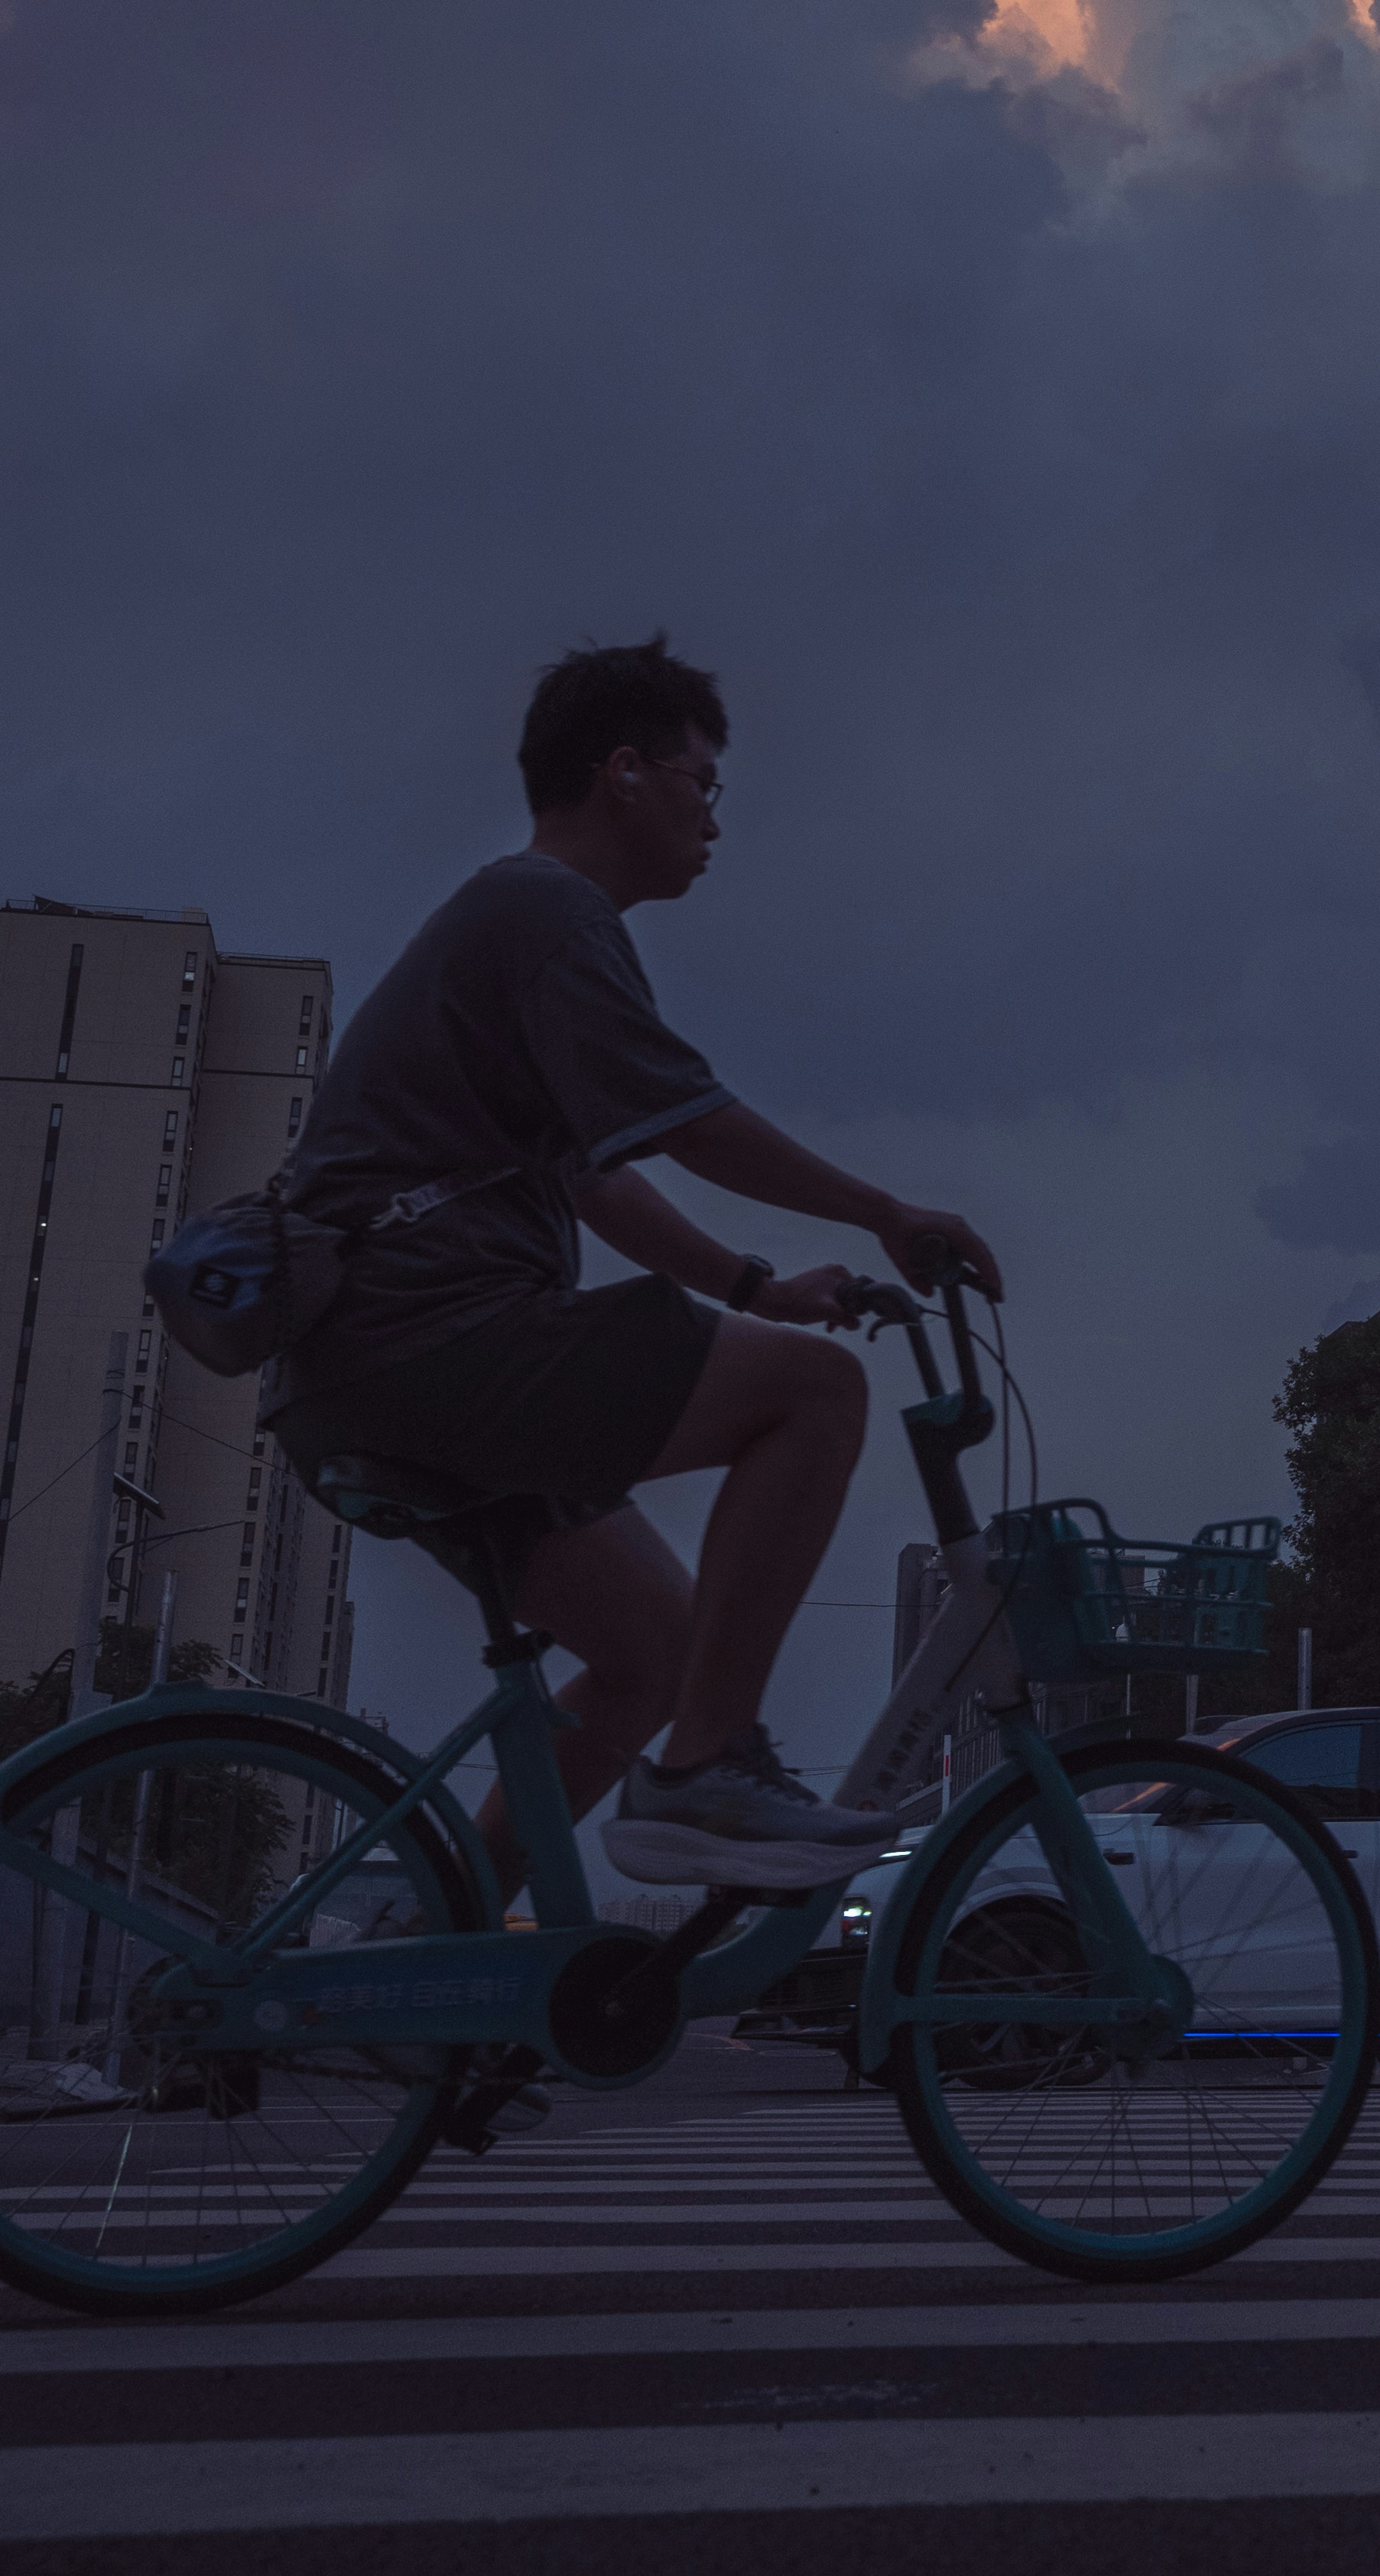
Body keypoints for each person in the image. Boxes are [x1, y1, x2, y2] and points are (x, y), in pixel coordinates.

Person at [266, 636, 1001, 1882]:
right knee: (816, 1396)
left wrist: (759, 1289)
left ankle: (432, 1972)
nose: (713, 819)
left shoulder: (510, 922)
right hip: (429, 1338)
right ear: (625, 773)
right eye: (703, 782)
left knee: (655, 1654)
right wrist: (883, 1211)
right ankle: (707, 1776)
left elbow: (595, 1173)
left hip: (369, 1367)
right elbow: (690, 1120)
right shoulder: (545, 910)